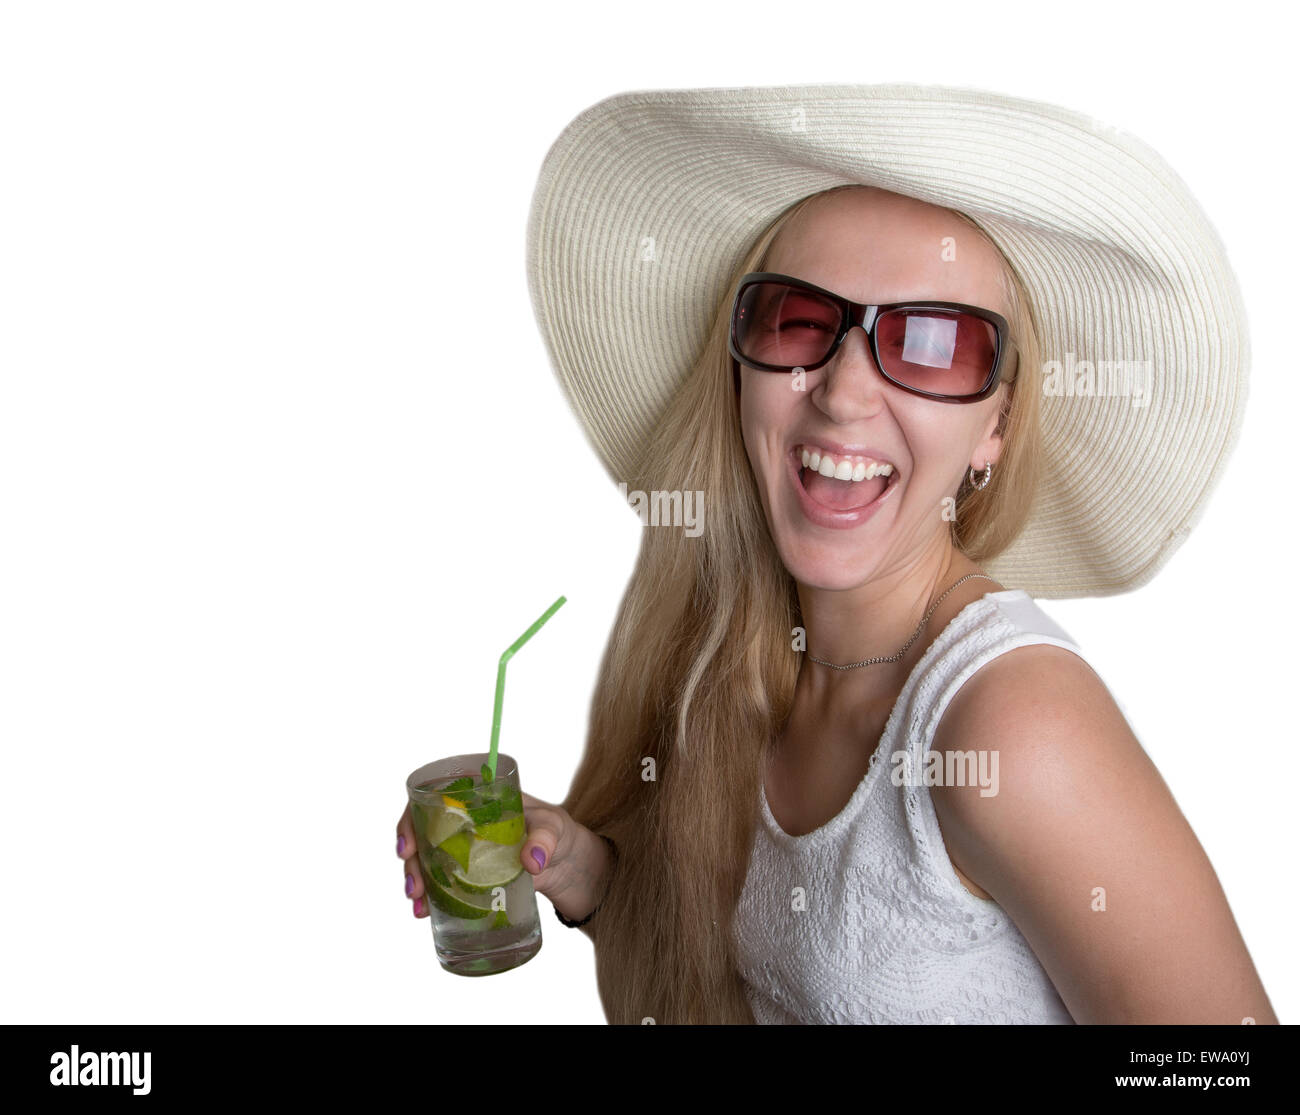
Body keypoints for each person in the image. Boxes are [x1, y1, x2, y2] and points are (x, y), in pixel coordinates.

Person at [397, 84, 1278, 1025]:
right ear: (739, 370)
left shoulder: (1008, 725)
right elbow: (767, 967)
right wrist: (587, 876)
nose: (846, 392)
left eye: (932, 342)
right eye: (798, 322)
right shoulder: (742, 668)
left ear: (997, 427)